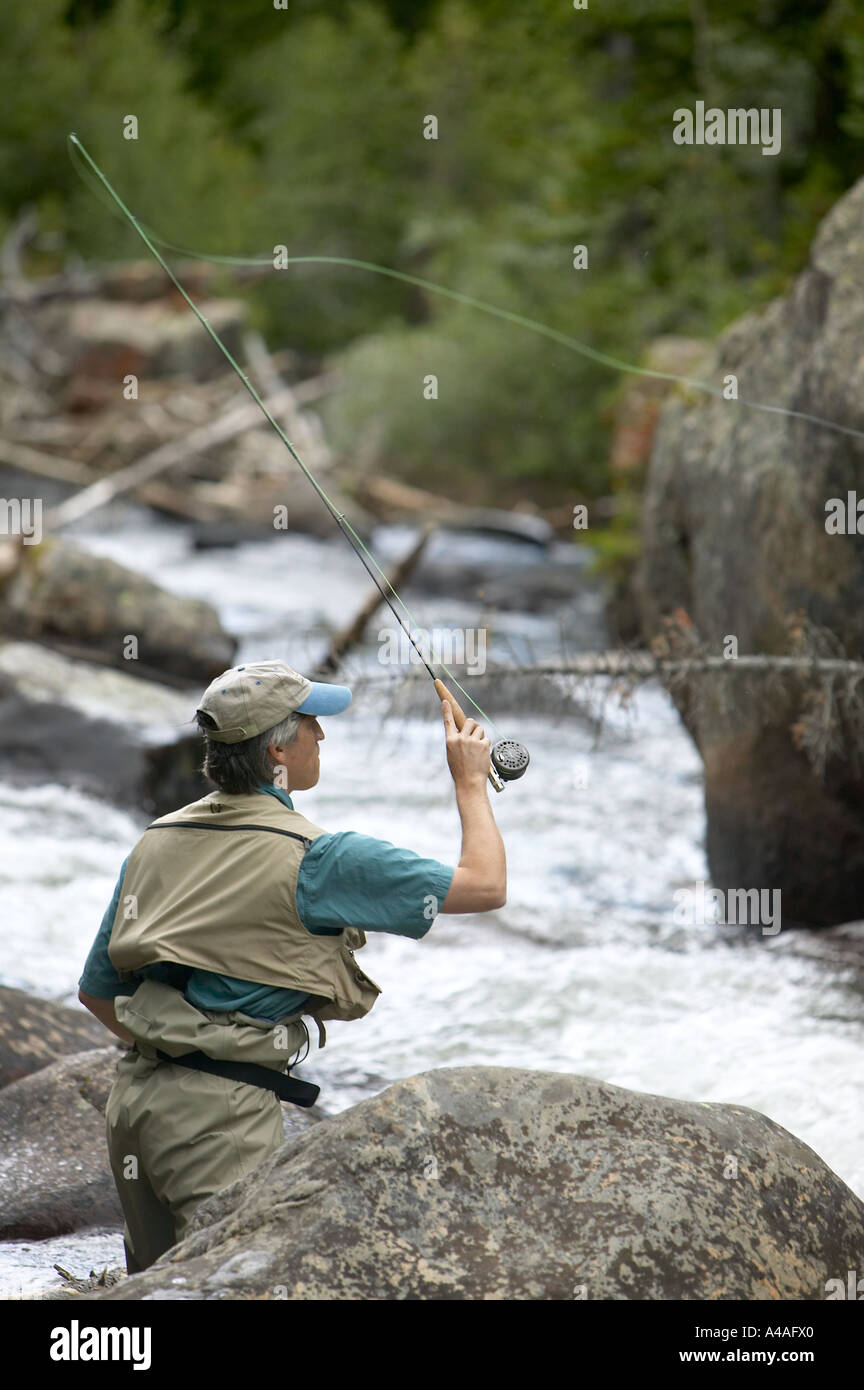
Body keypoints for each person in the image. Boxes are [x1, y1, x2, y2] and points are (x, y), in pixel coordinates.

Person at [78, 659, 506, 1272]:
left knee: (156, 1294)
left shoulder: (155, 840)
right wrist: (469, 780)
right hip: (218, 1123)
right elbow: (486, 886)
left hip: (135, 1110)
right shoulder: (322, 859)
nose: (322, 735)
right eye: (311, 723)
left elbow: (98, 994)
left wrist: (176, 1050)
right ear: (279, 748)